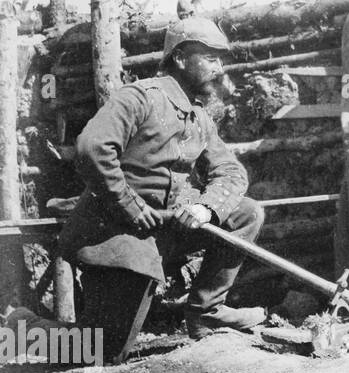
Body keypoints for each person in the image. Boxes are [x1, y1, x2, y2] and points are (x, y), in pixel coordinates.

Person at [60, 17, 267, 338]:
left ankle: (206, 311)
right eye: (210, 58)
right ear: (181, 58)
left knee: (247, 213)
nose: (219, 67)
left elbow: (231, 171)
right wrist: (130, 206)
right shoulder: (139, 98)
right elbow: (93, 148)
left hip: (166, 230)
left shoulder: (198, 116)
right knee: (99, 349)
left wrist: (206, 208)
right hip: (118, 236)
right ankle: (20, 324)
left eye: (221, 59)